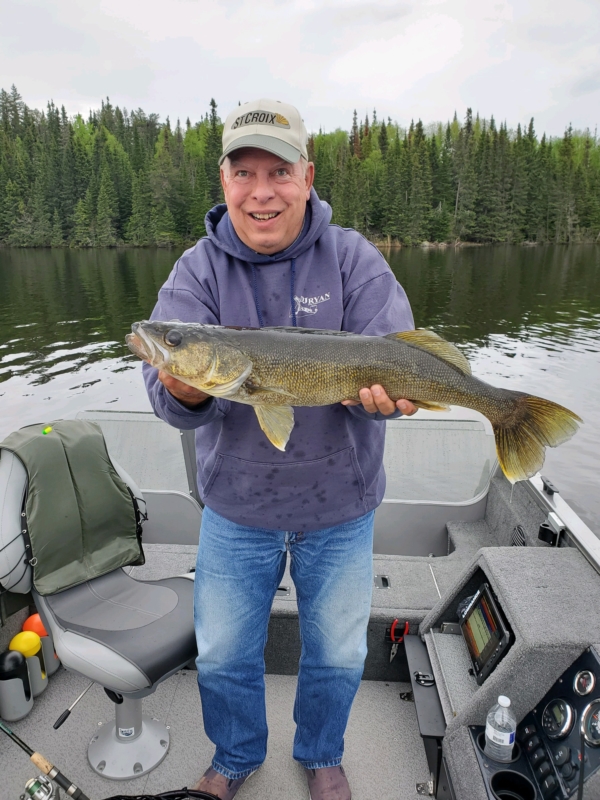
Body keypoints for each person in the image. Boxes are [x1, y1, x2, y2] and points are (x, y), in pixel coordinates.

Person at [143, 98, 416, 800]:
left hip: (340, 506)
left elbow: (400, 355)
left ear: (307, 176)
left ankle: (322, 753)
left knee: (338, 653)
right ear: (224, 181)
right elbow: (169, 398)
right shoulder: (197, 272)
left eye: (279, 172)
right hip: (237, 508)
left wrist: (398, 394)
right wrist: (189, 383)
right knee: (226, 654)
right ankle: (234, 759)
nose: (261, 192)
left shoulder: (351, 258)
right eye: (244, 173)